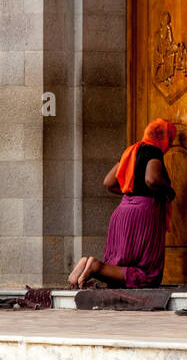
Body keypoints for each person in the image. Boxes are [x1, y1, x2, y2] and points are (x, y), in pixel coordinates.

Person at [69, 118, 177, 289]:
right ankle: (95, 267)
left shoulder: (130, 151)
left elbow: (108, 182)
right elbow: (152, 179)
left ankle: (85, 264)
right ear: (164, 137)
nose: (170, 144)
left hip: (123, 211)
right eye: (170, 139)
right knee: (147, 274)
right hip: (144, 214)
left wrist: (130, 191)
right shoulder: (154, 152)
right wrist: (169, 190)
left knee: (121, 264)